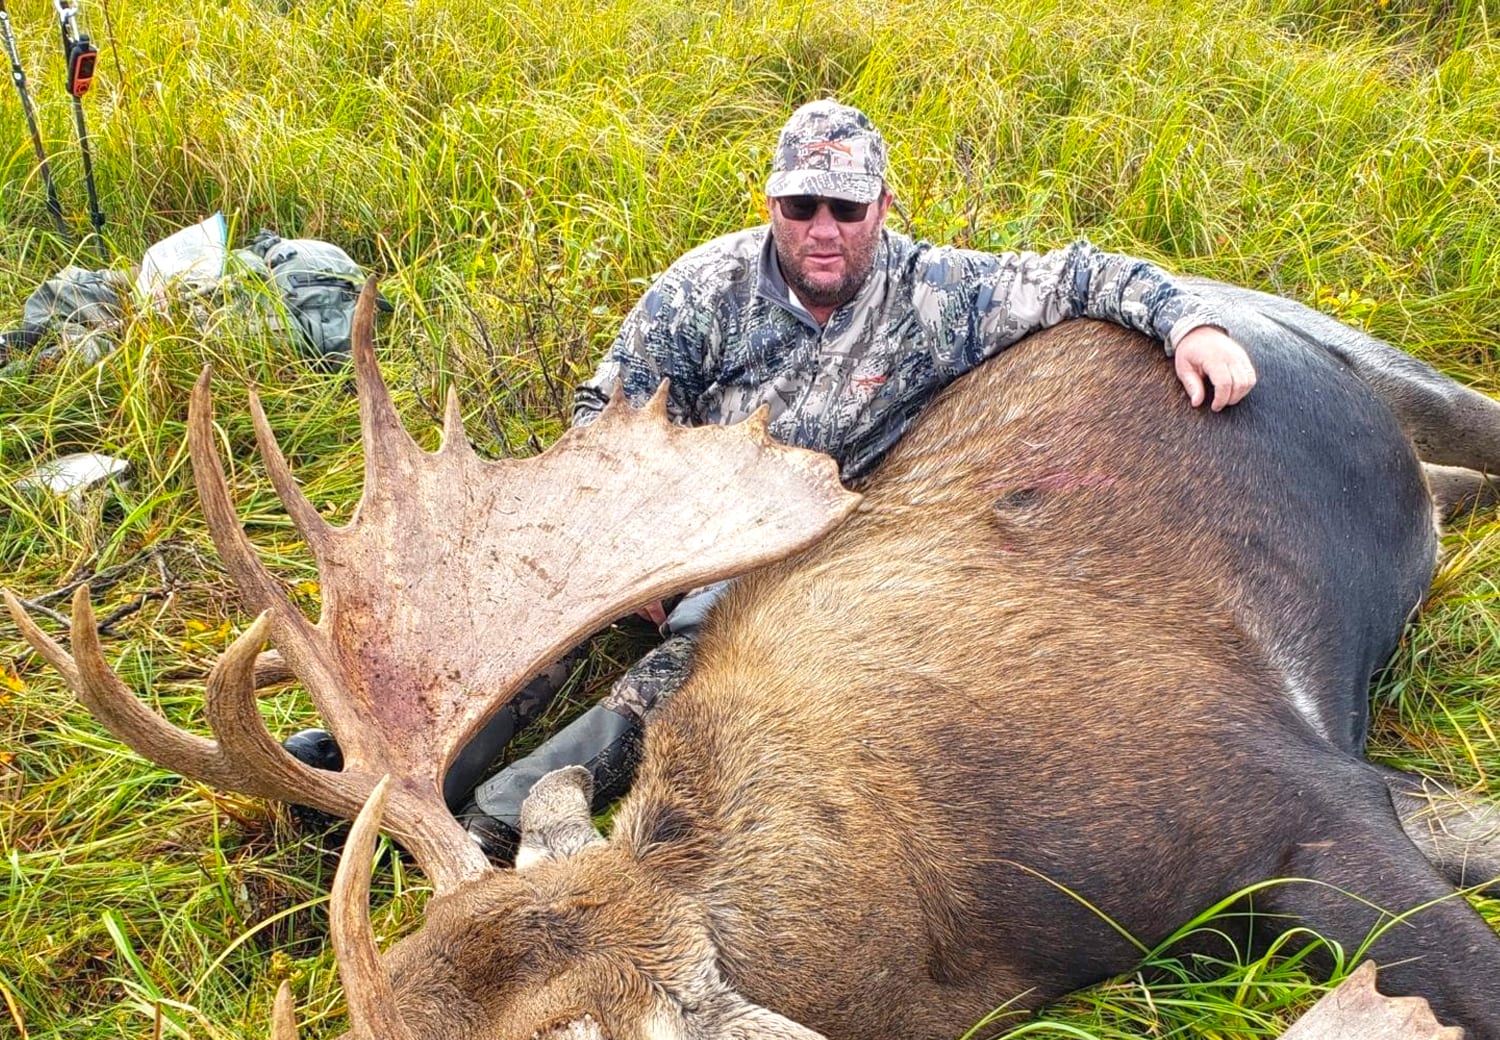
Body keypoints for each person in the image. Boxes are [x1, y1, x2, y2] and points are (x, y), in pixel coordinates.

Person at [290, 100, 1257, 859]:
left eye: (846, 209)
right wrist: (628, 542)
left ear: (883, 209)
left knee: (694, 663)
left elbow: (1086, 274)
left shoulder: (940, 295)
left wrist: (1191, 325)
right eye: (802, 208)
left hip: (781, 557)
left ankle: (505, 814)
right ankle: (369, 756)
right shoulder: (704, 288)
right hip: (660, 523)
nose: (823, 230)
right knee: (541, 609)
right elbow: (603, 414)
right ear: (773, 207)